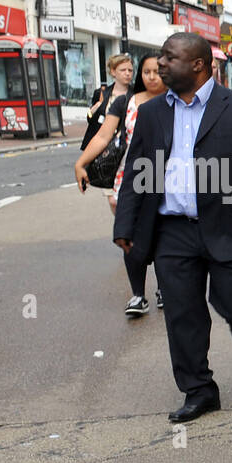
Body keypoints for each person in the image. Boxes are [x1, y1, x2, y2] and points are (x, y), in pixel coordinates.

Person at [112, 32, 232, 424]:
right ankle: (199, 389)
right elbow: (140, 170)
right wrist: (126, 224)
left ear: (199, 65)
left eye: (169, 58)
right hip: (173, 230)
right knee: (183, 313)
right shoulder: (153, 114)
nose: (160, 65)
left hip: (229, 226)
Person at [75, 53, 167, 316]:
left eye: (157, 71)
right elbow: (103, 136)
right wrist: (81, 163)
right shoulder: (126, 102)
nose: (152, 77)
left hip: (167, 177)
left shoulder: (174, 100)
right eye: (146, 71)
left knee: (164, 232)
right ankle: (138, 294)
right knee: (131, 234)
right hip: (131, 178)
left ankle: (164, 288)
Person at [81, 53, 135, 150]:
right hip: (101, 147)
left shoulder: (136, 94)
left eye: (130, 70)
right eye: (123, 70)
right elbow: (91, 121)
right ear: (113, 72)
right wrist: (91, 112)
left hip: (124, 147)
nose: (127, 73)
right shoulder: (102, 93)